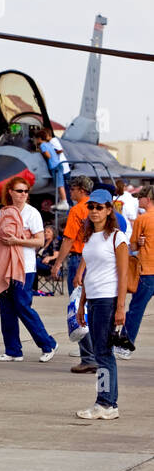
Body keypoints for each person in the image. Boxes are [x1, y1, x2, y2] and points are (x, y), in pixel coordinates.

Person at [73, 189, 129, 419]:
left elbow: (124, 275)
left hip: (108, 299)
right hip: (94, 298)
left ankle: (105, 403)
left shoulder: (117, 237)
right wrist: (81, 304)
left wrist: (120, 307)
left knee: (103, 353)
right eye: (91, 207)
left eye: (99, 207)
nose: (94, 211)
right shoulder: (89, 237)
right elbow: (89, 273)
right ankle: (108, 404)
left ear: (109, 210)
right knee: (101, 352)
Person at [0, 178, 56, 363]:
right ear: (10, 191)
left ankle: (47, 343)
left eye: (26, 191)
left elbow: (39, 241)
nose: (23, 194)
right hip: (4, 266)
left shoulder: (32, 213)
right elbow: (0, 236)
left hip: (24, 266)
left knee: (22, 305)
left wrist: (17, 241)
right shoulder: (5, 212)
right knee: (6, 308)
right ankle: (13, 350)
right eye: (19, 191)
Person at [52, 176, 100, 374]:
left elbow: (68, 240)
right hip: (97, 261)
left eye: (72, 189)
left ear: (80, 189)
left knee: (79, 309)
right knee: (95, 309)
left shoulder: (78, 210)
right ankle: (99, 354)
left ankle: (88, 357)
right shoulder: (100, 208)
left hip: (78, 259)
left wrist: (57, 264)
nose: (70, 193)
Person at [120, 185, 153, 359]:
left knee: (135, 310)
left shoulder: (143, 219)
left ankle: (126, 345)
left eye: (140, 197)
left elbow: (132, 246)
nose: (138, 200)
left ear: (147, 199)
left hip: (147, 270)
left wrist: (139, 243)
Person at [38, 127, 70, 205]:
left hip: (57, 167)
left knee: (60, 185)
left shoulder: (46, 144)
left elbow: (50, 154)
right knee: (61, 186)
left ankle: (65, 203)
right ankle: (64, 202)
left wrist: (42, 153)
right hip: (60, 166)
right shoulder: (49, 144)